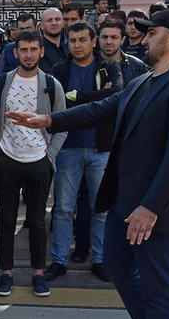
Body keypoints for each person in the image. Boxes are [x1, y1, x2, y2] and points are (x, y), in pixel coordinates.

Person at [8, 9, 169, 319]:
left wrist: (150, 207)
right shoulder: (145, 82)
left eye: (152, 33)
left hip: (157, 212)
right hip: (123, 203)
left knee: (158, 288)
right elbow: (101, 109)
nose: (143, 37)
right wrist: (47, 121)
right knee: (119, 268)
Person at [0, 30, 67, 297]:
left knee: (37, 221)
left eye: (34, 49)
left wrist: (50, 155)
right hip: (8, 159)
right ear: (16, 52)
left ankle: (38, 273)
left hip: (39, 161)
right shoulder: (2, 82)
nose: (29, 54)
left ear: (42, 52)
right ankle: (6, 273)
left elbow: (62, 124)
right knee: (6, 220)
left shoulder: (52, 84)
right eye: (24, 49)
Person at [44, 20, 123, 283]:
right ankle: (59, 260)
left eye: (82, 40)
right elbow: (54, 100)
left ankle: (100, 260)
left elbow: (116, 97)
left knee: (101, 209)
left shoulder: (109, 66)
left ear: (93, 41)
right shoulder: (60, 69)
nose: (77, 45)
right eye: (73, 40)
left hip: (101, 148)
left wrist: (77, 96)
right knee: (64, 208)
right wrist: (96, 95)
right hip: (67, 147)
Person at [39, 7, 69, 73]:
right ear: (42, 26)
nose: (54, 23)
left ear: (63, 23)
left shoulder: (70, 47)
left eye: (57, 19)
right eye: (49, 20)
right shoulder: (37, 49)